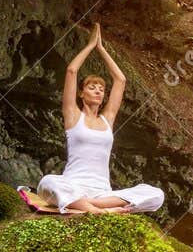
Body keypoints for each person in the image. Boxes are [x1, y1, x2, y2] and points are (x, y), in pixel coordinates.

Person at [17, 23, 165, 216]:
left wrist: (101, 49)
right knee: (47, 182)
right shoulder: (73, 115)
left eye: (101, 89)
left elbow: (120, 80)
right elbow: (71, 71)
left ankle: (90, 206)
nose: (98, 91)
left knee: (156, 194)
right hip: (72, 185)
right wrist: (89, 46)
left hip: (103, 193)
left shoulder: (107, 119)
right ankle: (102, 211)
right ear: (81, 93)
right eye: (92, 87)